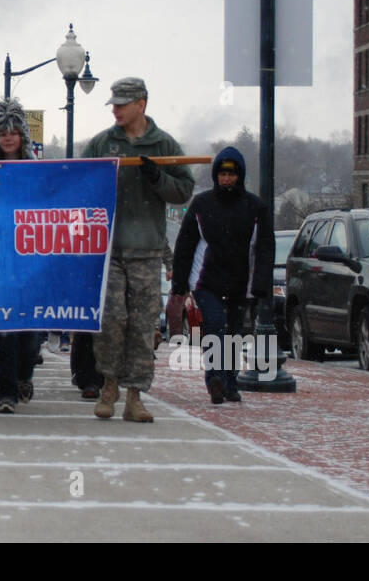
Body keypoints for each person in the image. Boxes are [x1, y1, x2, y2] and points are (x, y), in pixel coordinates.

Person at [82, 77, 194, 422]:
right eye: (113, 104)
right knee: (112, 320)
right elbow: (76, 184)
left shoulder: (164, 144)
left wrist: (158, 178)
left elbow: (184, 190)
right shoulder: (102, 144)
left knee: (143, 326)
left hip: (146, 250)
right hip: (110, 250)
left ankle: (135, 396)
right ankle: (109, 385)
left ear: (141, 104)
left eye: (122, 103)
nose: (115, 109)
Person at [169, 146, 274, 404]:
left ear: (240, 176)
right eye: (222, 173)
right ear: (216, 175)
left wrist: (261, 284)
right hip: (207, 281)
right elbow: (185, 245)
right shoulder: (202, 204)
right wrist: (180, 284)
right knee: (216, 326)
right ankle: (215, 378)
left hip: (241, 282)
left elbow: (264, 249)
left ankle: (230, 381)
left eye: (232, 173)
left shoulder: (255, 208)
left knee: (235, 334)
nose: (227, 178)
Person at [0, 98, 43, 413]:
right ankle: (5, 391)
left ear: (22, 137)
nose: (8, 138)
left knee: (30, 334)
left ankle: (24, 375)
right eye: (2, 133)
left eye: (13, 132)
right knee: (4, 330)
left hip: (30, 260)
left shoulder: (37, 173)